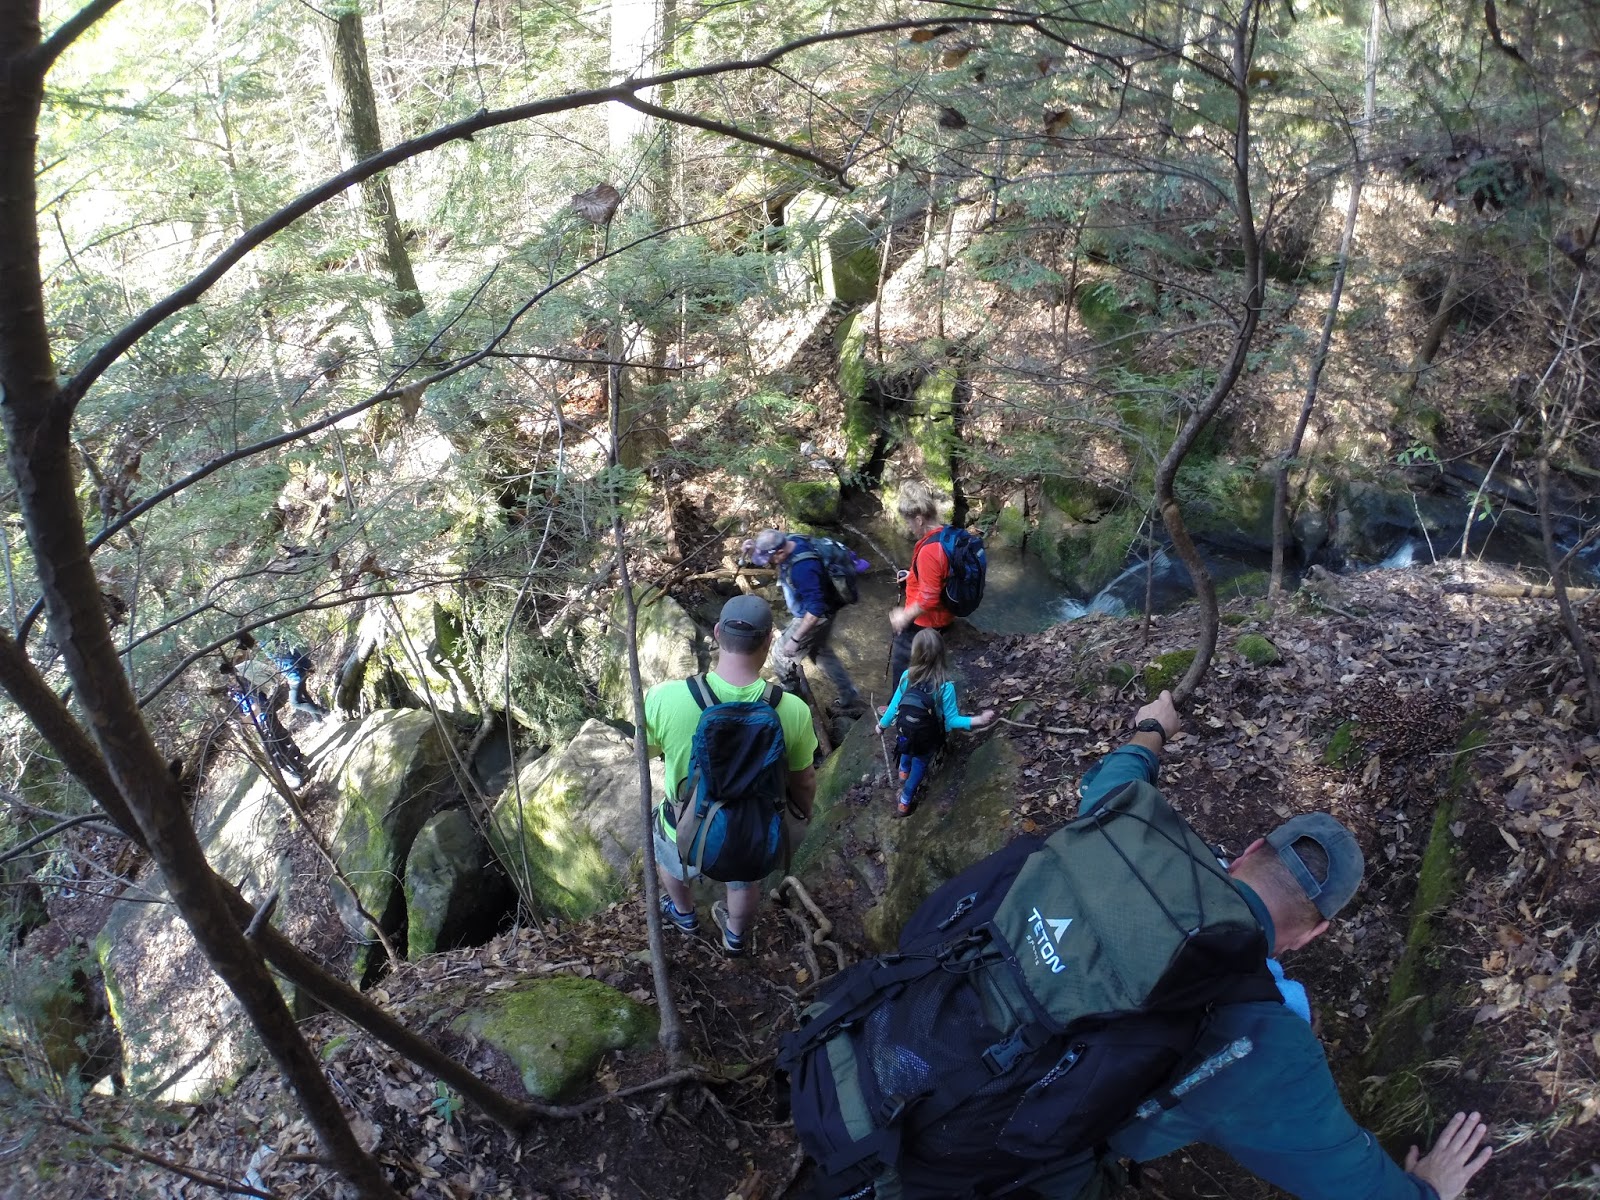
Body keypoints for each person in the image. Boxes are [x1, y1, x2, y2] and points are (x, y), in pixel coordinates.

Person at [1033, 690, 1494, 1200]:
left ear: (1247, 852)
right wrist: (1428, 1190)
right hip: (1026, 1162)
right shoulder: (1272, 1049)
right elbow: (1353, 1183)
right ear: (1315, 934)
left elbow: (1114, 782)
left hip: (952, 1030)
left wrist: (1152, 730)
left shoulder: (1139, 845)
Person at [644, 595, 819, 957]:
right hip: (747, 828)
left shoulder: (664, 698)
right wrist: (804, 812)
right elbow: (803, 780)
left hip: (686, 824)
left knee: (670, 856)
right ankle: (735, 938)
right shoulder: (793, 710)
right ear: (770, 640)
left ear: (717, 632)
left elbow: (641, 753)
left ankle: (684, 913)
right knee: (743, 880)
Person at [747, 529, 865, 718]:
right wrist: (754, 547)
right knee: (820, 652)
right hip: (825, 608)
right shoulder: (791, 539)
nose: (769, 563)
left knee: (780, 656)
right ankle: (848, 693)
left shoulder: (804, 569)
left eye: (769, 558)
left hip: (816, 615)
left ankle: (794, 705)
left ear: (780, 553)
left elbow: (815, 611)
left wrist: (795, 639)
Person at [877, 627, 996, 815]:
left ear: (914, 653)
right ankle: (905, 801)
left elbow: (893, 706)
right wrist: (978, 719)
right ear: (942, 655)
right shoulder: (945, 687)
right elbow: (952, 720)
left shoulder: (906, 676)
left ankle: (902, 771)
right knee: (920, 764)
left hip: (905, 730)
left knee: (906, 746)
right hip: (927, 737)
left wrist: (882, 725)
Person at [887, 481, 954, 688]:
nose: (908, 527)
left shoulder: (929, 550)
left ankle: (897, 706)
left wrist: (903, 617)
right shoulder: (945, 534)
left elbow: (929, 597)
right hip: (945, 613)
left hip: (927, 620)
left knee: (901, 659)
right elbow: (940, 574)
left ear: (919, 519)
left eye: (909, 522)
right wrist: (913, 575)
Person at [219, 656, 312, 789]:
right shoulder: (233, 690)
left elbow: (258, 706)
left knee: (275, 750)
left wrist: (245, 720)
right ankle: (299, 759)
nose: (229, 681)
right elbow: (244, 708)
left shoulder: (244, 683)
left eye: (229, 677)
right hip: (262, 718)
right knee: (281, 737)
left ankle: (299, 773)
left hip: (264, 716)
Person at [268, 637, 329, 719]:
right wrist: (308, 665)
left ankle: (324, 712)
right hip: (298, 672)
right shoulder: (282, 642)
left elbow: (292, 657)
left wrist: (307, 666)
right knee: (304, 695)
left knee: (295, 703)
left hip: (294, 676)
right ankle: (317, 719)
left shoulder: (270, 647)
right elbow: (296, 654)